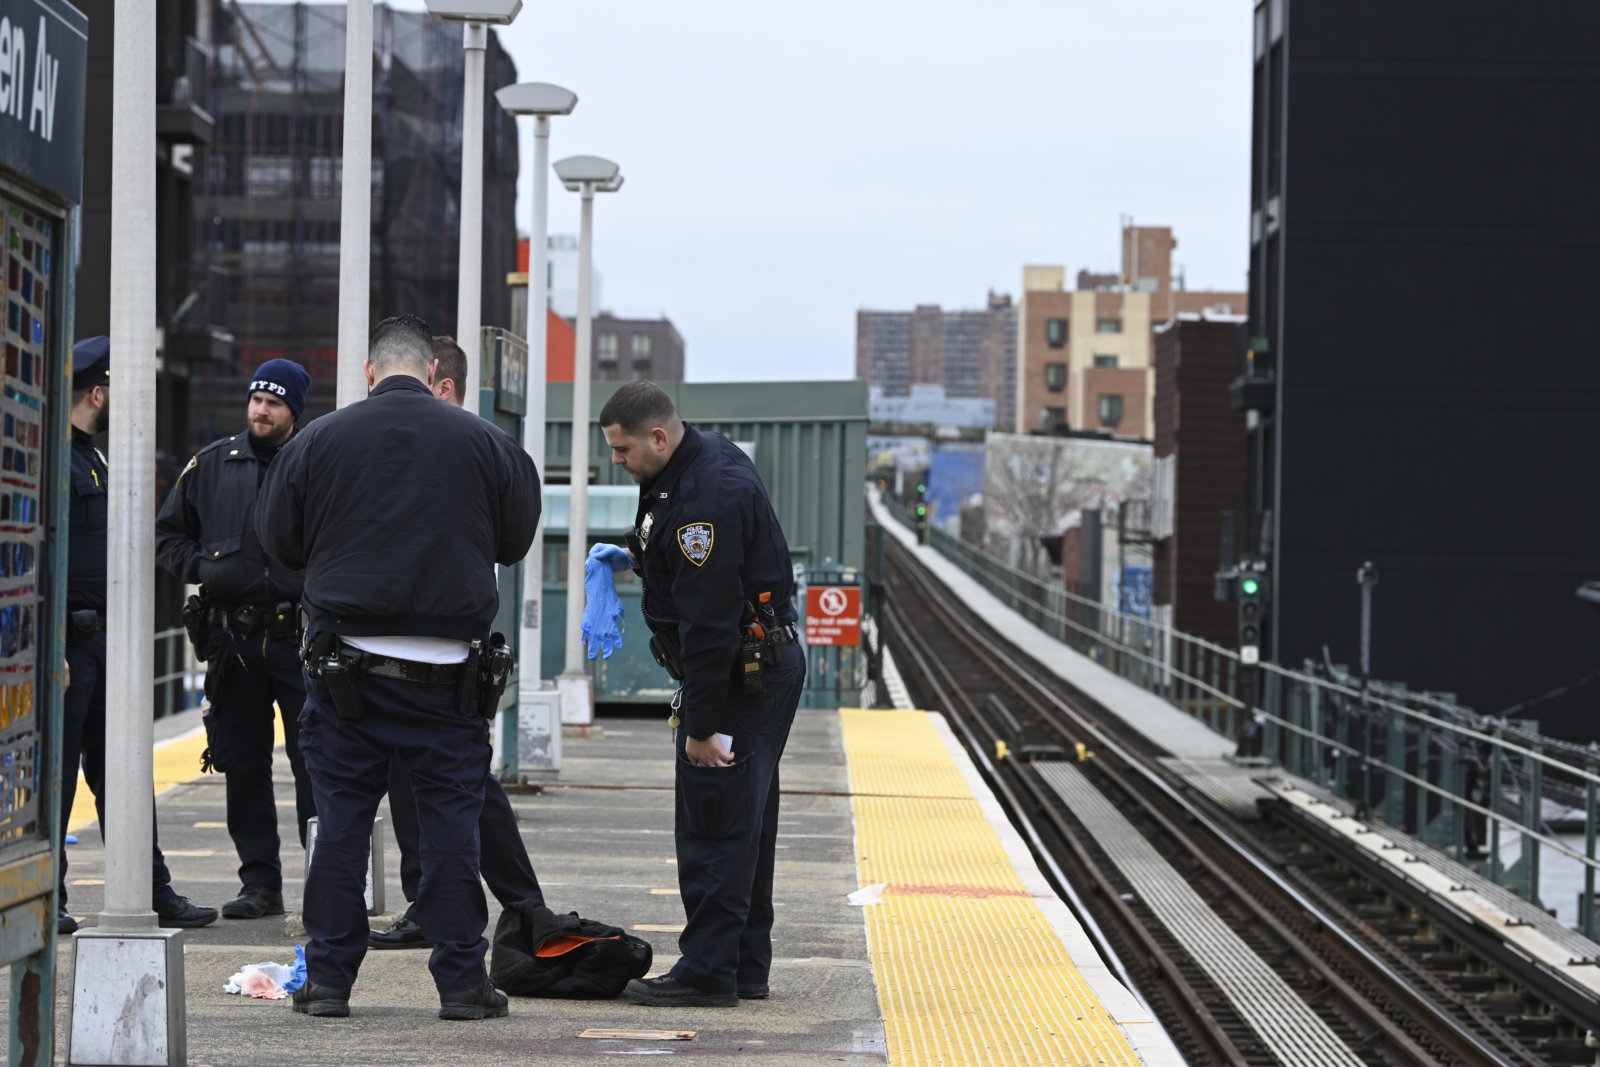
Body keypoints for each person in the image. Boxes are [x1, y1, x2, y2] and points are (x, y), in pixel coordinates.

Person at [257, 315, 540, 1020]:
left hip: (344, 673)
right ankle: (462, 984)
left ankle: (329, 982)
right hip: (450, 679)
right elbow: (513, 540)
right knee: (450, 830)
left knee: (341, 825)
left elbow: (279, 542)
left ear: (370, 371)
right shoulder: (489, 444)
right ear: (431, 370)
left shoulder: (317, 441)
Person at [598, 380, 806, 1008]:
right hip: (757, 665)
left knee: (714, 825)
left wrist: (701, 727)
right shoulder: (700, 459)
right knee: (745, 824)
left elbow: (711, 625)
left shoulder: (702, 505)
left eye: (623, 449)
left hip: (740, 673)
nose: (617, 460)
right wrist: (635, 558)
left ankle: (708, 973)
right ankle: (742, 965)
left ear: (659, 437)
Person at [370, 335, 545, 951]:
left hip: (431, 651)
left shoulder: (456, 451)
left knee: (457, 789)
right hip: (435, 648)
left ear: (441, 385)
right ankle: (496, 904)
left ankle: (502, 905)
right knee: (441, 785)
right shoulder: (479, 450)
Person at [58, 336, 217, 934]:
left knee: (124, 771)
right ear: (99, 394)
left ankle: (152, 888)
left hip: (107, 642)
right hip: (68, 644)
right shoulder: (53, 461)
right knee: (57, 776)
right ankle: (47, 895)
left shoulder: (96, 460)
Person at [155, 358, 317, 921]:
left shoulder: (314, 461)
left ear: (294, 410)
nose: (261, 410)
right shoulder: (210, 465)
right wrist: (206, 567)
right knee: (243, 764)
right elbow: (168, 536)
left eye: (274, 402)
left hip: (301, 641)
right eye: (256, 399)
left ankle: (325, 881)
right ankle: (260, 884)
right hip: (234, 642)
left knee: (316, 764)